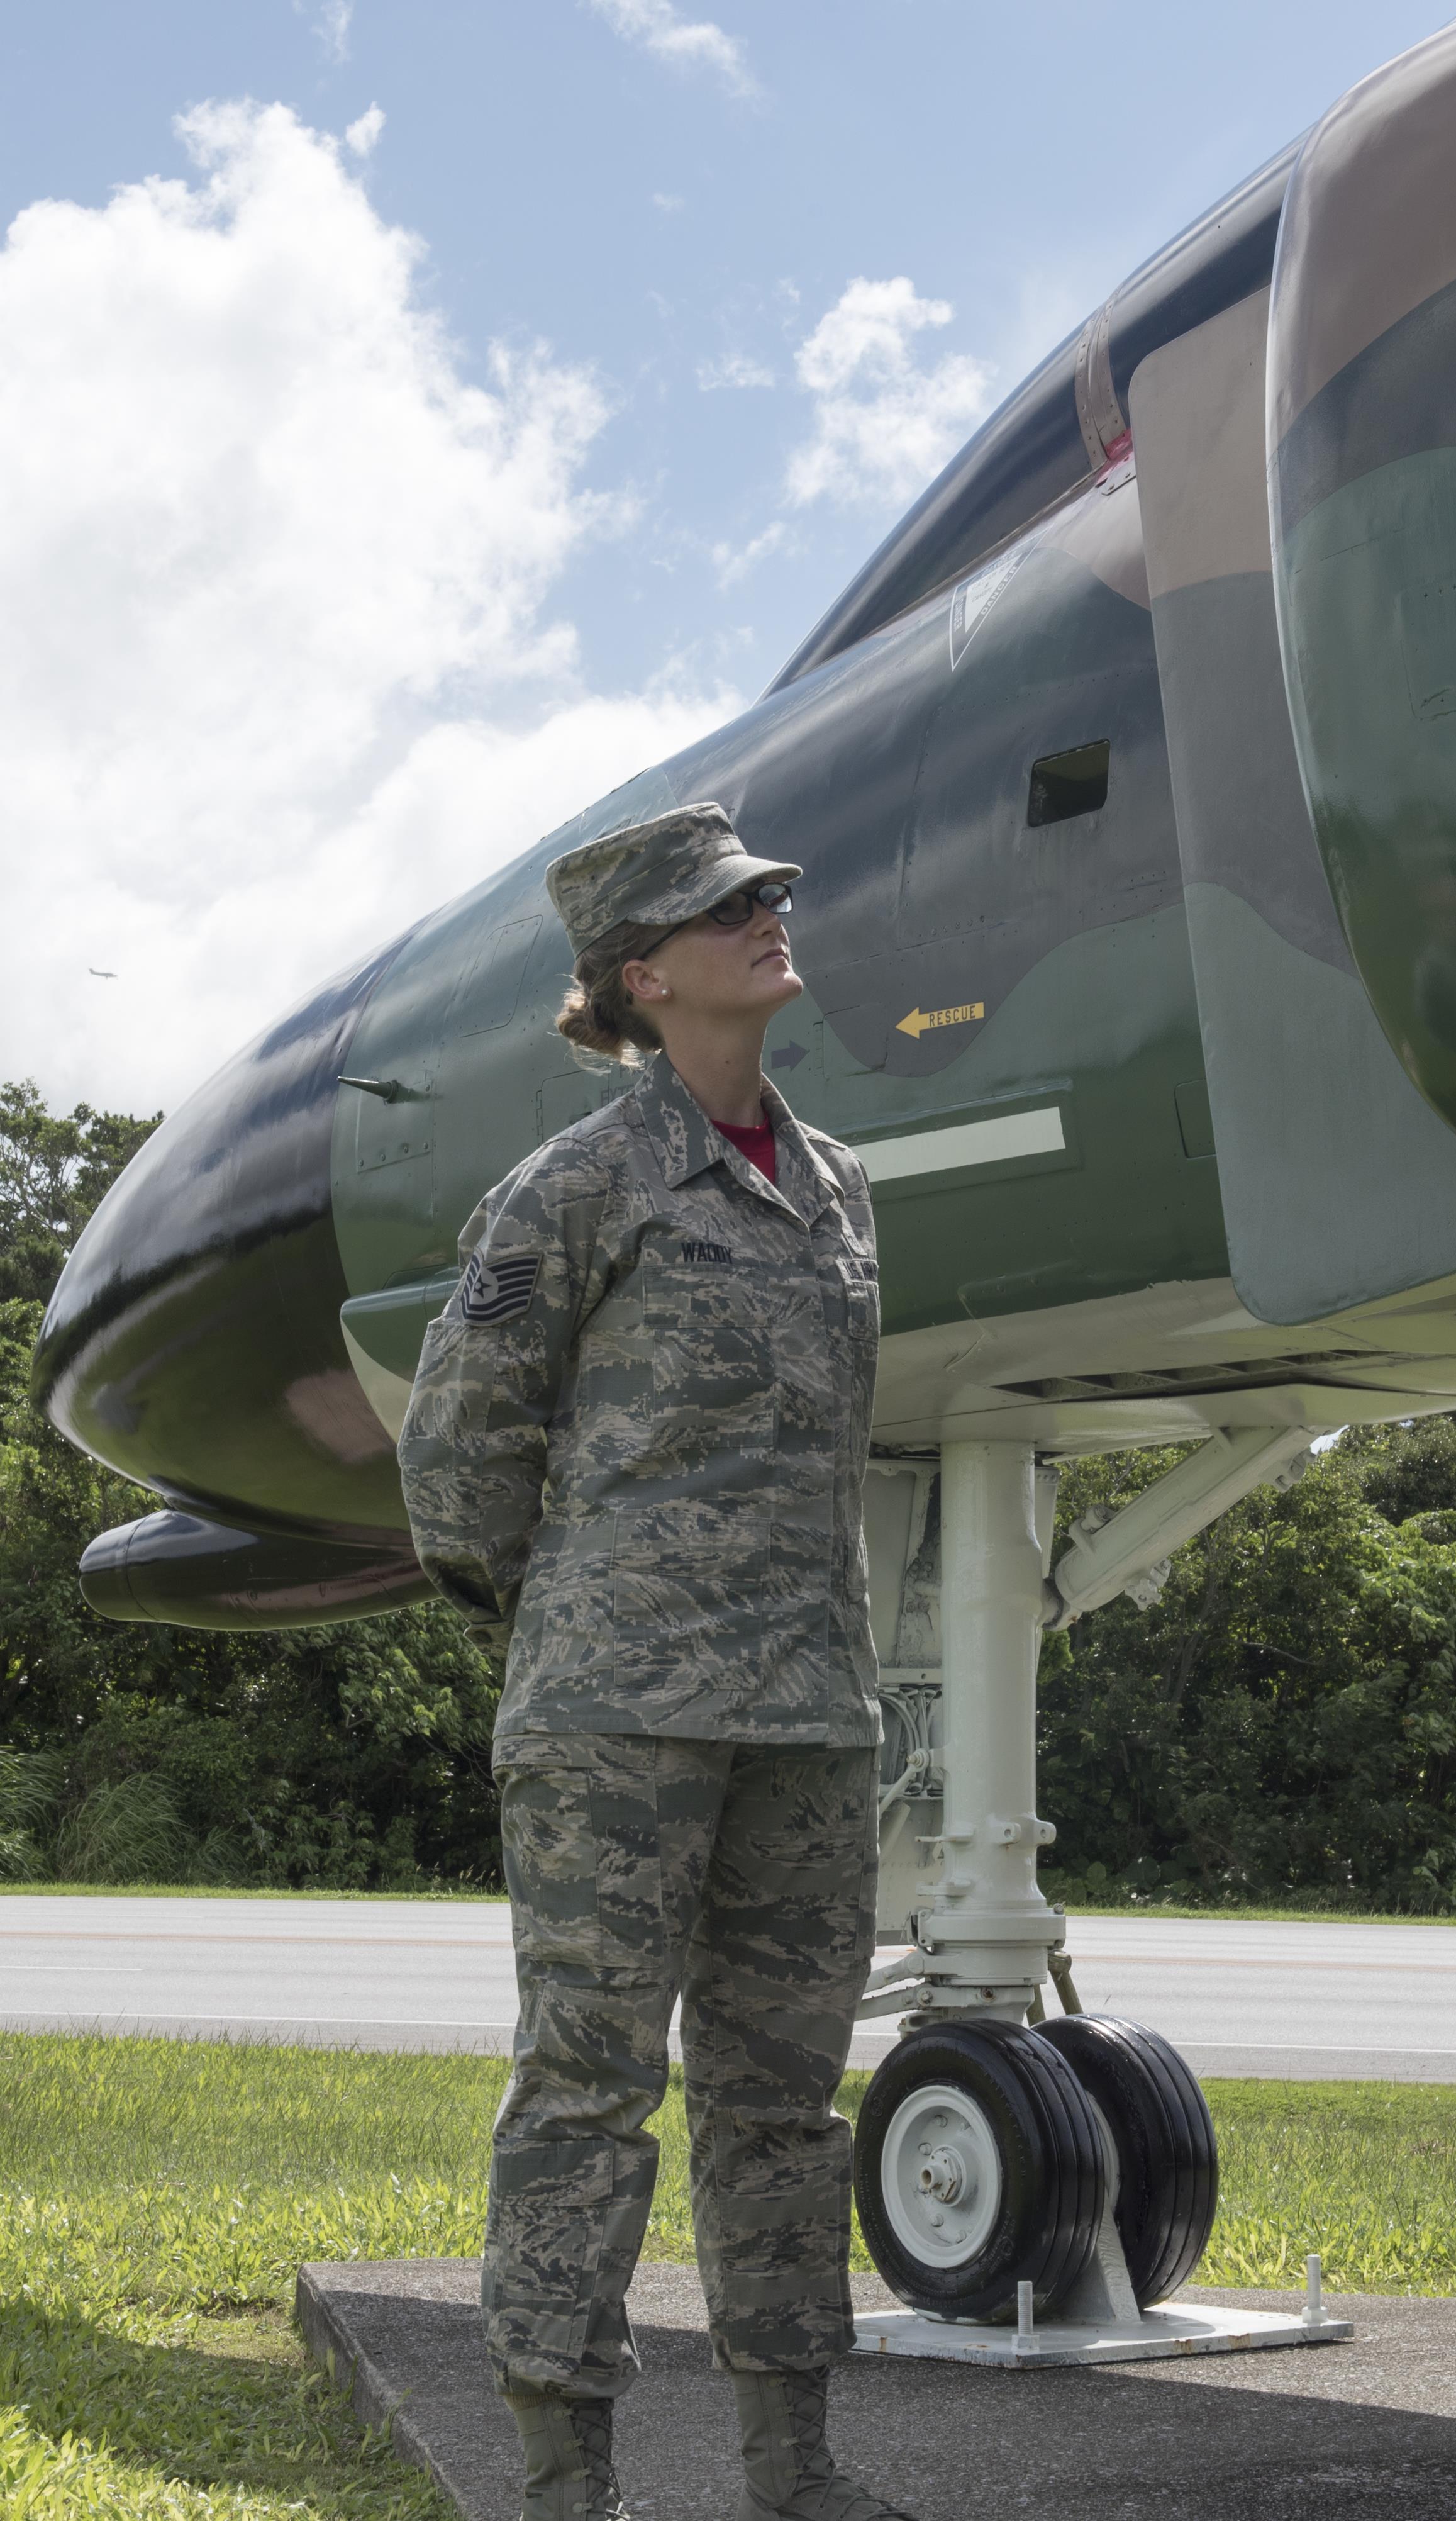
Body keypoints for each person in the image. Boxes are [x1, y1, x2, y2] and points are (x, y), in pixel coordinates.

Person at [398, 802, 910, 2521]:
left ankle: (797, 2474)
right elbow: (460, 1464)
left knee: (781, 2110)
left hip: (808, 1722)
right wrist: (589, 1625)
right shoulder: (575, 1189)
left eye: (769, 890)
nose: (769, 916)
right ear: (643, 974)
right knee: (589, 2101)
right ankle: (564, 2491)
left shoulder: (836, 1187)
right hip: (619, 1724)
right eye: (725, 909)